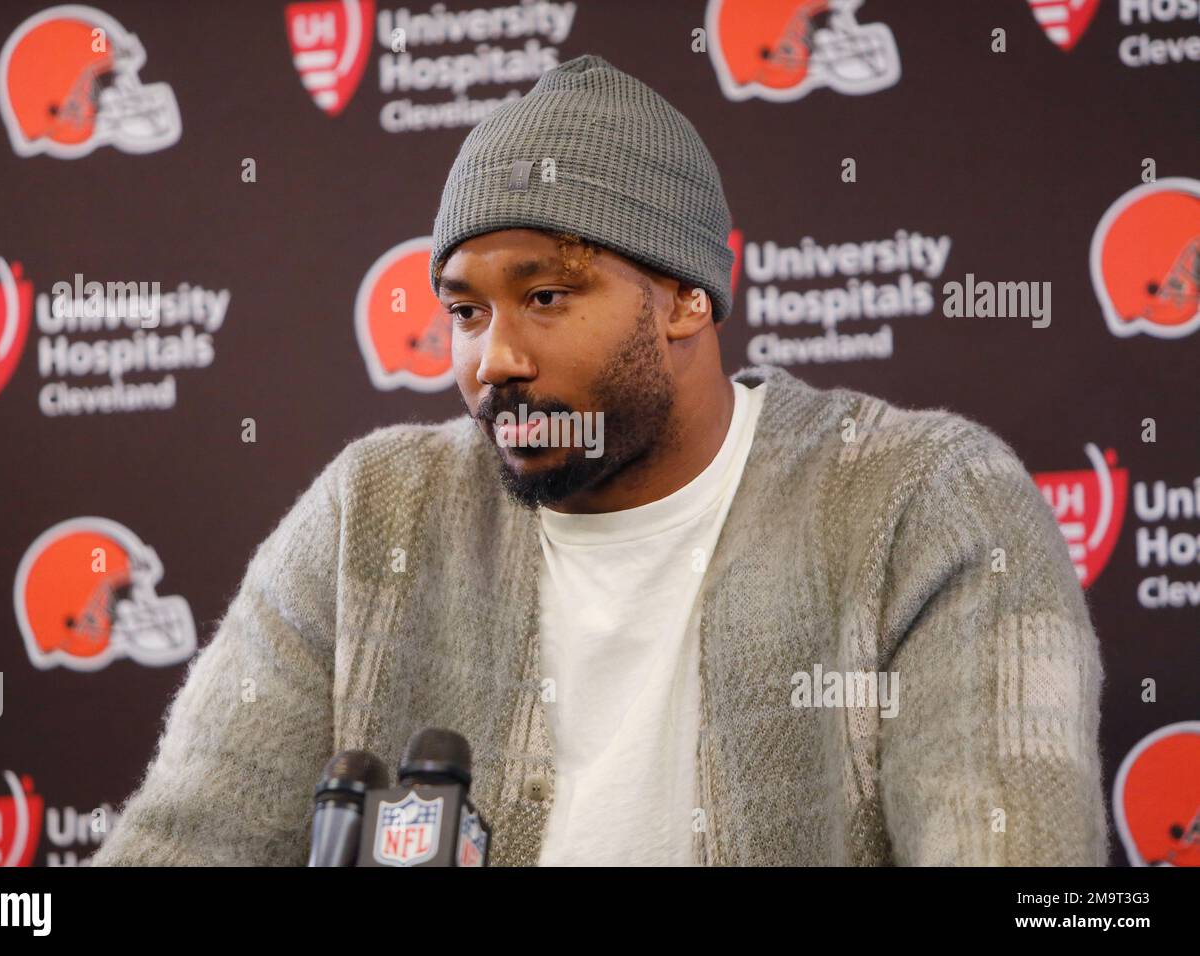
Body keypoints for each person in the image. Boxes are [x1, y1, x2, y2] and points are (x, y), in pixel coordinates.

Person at [92, 54, 1108, 867]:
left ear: (686, 296)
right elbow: (181, 842)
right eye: (463, 309)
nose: (494, 358)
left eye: (545, 296)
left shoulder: (923, 501)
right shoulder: (376, 512)